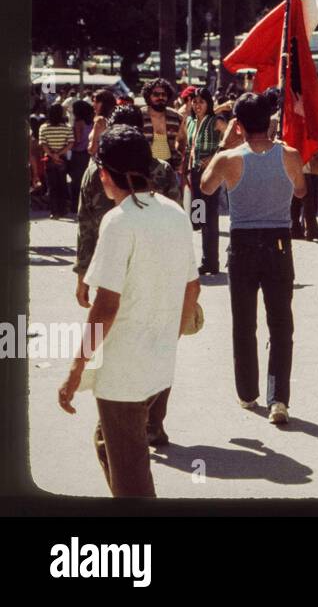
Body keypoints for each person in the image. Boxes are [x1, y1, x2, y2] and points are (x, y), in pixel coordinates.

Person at [57, 126, 201, 497]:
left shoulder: (119, 220)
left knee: (131, 471)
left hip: (124, 372)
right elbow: (192, 287)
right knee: (109, 442)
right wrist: (170, 333)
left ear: (105, 174)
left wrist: (75, 369)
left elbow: (105, 306)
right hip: (157, 365)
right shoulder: (173, 211)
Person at [200, 91, 306, 426]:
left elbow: (204, 187)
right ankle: (279, 399)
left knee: (244, 324)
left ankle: (247, 392)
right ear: (269, 121)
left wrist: (226, 143)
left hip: (243, 243)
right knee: (281, 324)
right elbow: (301, 190)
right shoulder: (288, 154)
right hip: (278, 242)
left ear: (240, 125)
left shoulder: (229, 158)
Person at [185, 87, 227, 274]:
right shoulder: (191, 122)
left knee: (210, 217)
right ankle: (206, 259)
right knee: (199, 218)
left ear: (209, 103)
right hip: (194, 173)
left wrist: (213, 157)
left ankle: (211, 262)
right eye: (194, 101)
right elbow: (189, 147)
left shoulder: (215, 121)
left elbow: (230, 139)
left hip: (211, 173)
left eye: (201, 101)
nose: (197, 105)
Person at [38, 101, 74, 218]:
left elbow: (43, 144)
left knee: (52, 186)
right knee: (62, 184)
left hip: (49, 159)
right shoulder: (67, 127)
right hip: (62, 159)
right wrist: (59, 154)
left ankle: (54, 212)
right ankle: (63, 209)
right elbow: (70, 143)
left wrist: (52, 155)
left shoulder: (43, 127)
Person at [140, 78, 184, 174]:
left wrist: (179, 162)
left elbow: (182, 141)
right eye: (156, 94)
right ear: (148, 96)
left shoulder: (176, 117)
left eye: (164, 94)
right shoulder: (139, 116)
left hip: (169, 169)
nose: (160, 97)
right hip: (144, 168)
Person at [68, 99, 95, 216]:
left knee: (76, 182)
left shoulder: (78, 122)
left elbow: (77, 140)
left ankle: (75, 206)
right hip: (88, 154)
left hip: (78, 154)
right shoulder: (92, 121)